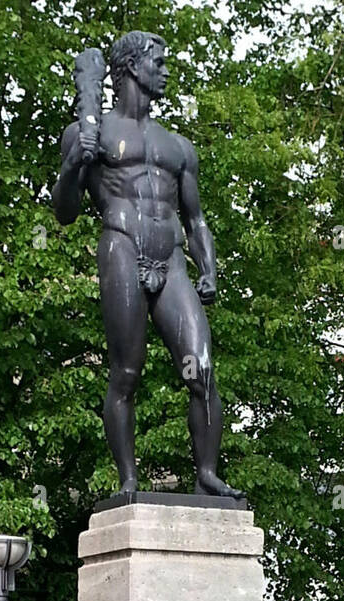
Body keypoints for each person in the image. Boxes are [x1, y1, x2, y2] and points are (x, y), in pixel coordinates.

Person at [52, 32, 244, 499]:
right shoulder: (87, 133)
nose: (166, 70)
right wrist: (74, 166)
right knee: (126, 373)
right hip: (120, 246)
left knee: (200, 367)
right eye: (158, 61)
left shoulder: (177, 146)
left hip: (172, 257)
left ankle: (206, 473)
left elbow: (195, 218)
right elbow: (64, 211)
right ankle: (129, 481)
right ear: (133, 67)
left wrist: (210, 266)